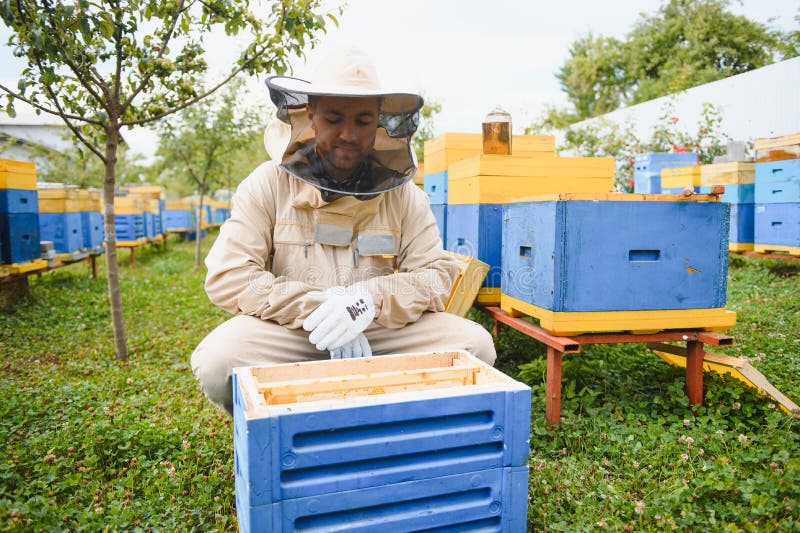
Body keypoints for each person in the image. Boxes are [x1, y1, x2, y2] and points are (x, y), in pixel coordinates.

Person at [191, 47, 496, 414]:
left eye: (363, 121)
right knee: (219, 362)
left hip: (378, 328)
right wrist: (319, 308)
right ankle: (270, 428)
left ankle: (402, 425)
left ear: (379, 121)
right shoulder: (268, 183)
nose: (349, 134)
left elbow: (435, 277)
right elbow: (230, 275)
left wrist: (366, 302)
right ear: (311, 115)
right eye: (334, 118)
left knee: (475, 346)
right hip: (294, 331)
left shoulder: (404, 196)